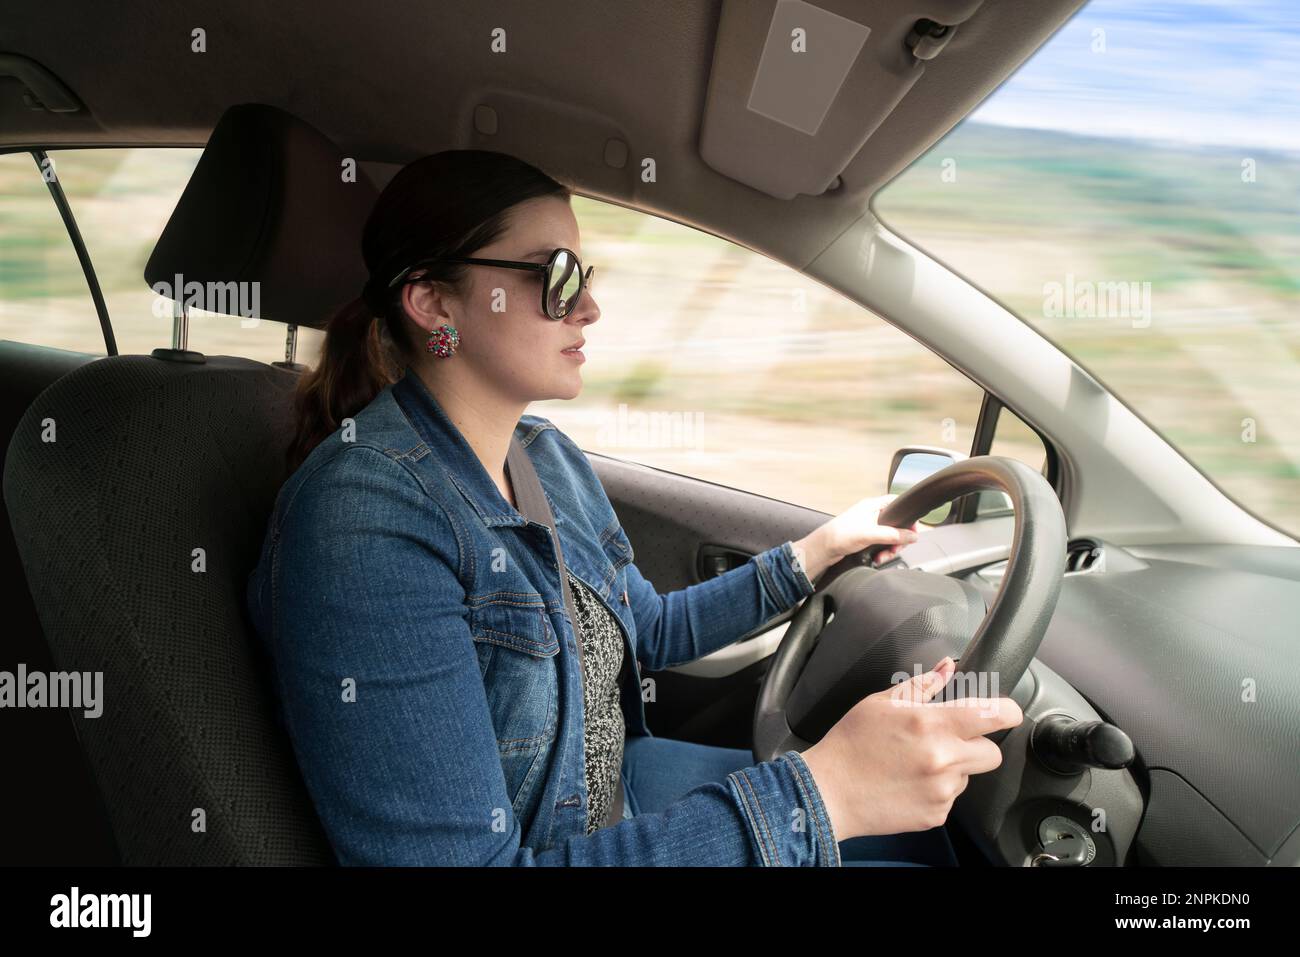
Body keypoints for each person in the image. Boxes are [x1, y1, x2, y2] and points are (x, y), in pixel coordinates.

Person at [245, 149, 1022, 866]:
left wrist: (818, 551)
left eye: (585, 274)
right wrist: (825, 792)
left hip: (625, 792)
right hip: (575, 843)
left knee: (929, 844)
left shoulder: (541, 453)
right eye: (554, 276)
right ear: (432, 303)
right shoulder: (367, 524)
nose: (587, 308)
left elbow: (647, 629)